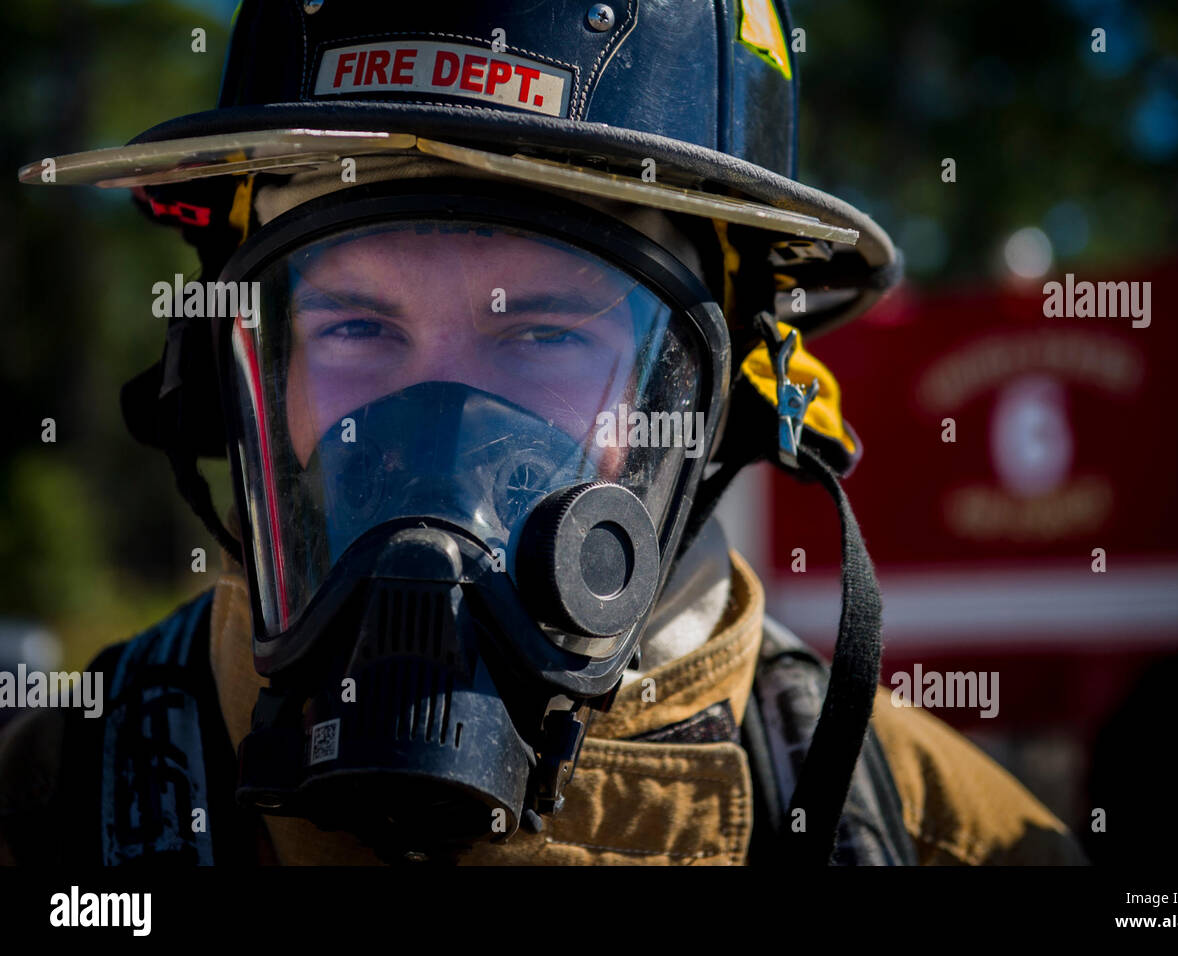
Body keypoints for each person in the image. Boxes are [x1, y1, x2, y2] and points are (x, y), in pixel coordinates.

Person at [0, 0, 1085, 866]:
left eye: (547, 335)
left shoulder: (941, 836)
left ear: (718, 403)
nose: (436, 429)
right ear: (226, 378)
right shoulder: (50, 803)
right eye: (357, 326)